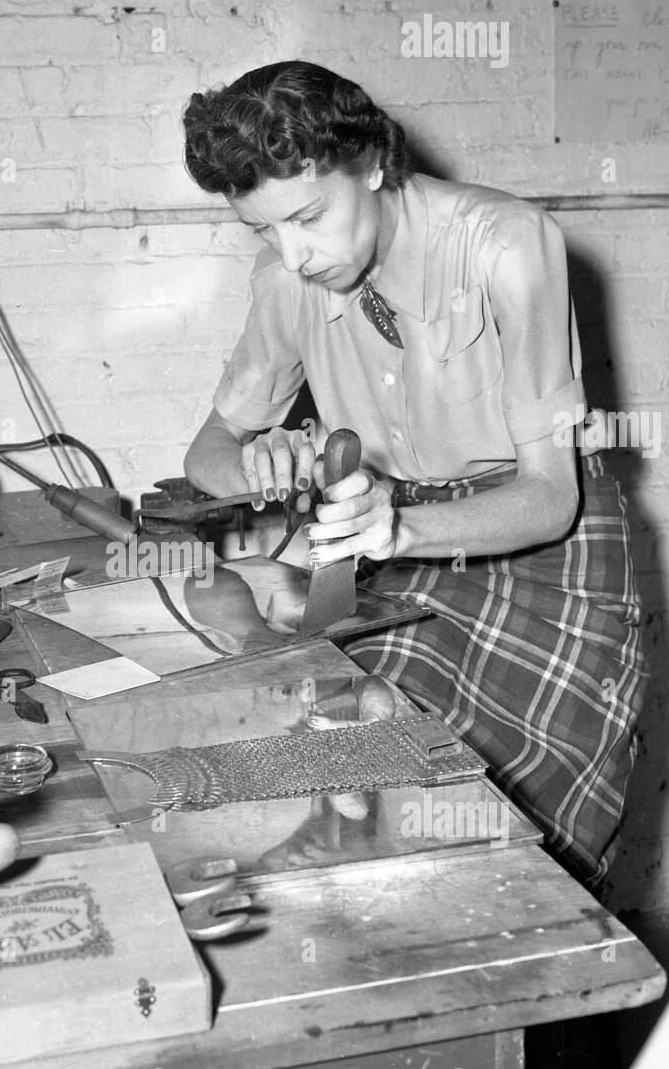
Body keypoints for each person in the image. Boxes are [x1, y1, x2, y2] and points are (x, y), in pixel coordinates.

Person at [181, 60, 645, 888]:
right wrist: (259, 461)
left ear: (370, 163)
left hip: (540, 539)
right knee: (376, 770)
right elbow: (205, 455)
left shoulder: (503, 243)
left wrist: (398, 527)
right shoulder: (285, 279)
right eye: (261, 231)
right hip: (392, 537)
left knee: (542, 847)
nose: (292, 253)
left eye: (307, 217)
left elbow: (549, 497)